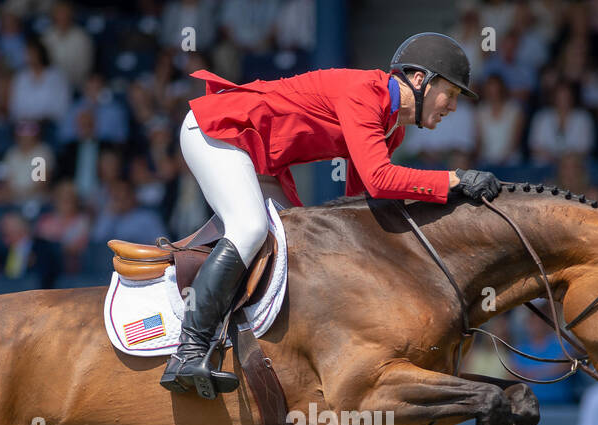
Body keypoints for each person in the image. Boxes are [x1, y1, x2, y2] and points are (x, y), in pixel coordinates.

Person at [164, 33, 500, 398]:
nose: (452, 106)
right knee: (249, 228)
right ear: (419, 80)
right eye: (449, 94)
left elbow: (364, 200)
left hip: (258, 158)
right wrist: (454, 180)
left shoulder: (391, 131)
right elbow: (380, 179)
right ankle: (189, 350)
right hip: (219, 131)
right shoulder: (364, 94)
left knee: (301, 251)